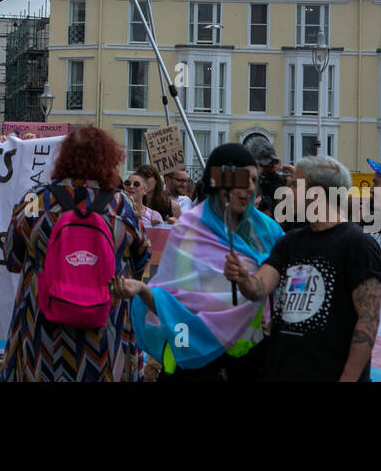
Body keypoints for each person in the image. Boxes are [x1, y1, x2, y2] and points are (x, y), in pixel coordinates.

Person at [111, 143, 284, 381]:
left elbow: (286, 289)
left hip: (253, 361)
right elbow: (172, 302)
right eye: (242, 180)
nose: (249, 188)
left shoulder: (269, 231)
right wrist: (141, 290)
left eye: (254, 180)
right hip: (196, 361)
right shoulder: (188, 230)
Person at [0, 126, 150, 381]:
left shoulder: (36, 200)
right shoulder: (122, 205)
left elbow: (12, 259)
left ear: (64, 158)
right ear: (108, 159)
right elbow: (140, 263)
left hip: (42, 333)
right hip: (105, 334)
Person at [230, 155, 381, 381]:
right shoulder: (289, 242)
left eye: (293, 184)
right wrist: (243, 277)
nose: (286, 190)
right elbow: (257, 289)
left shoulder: (358, 244)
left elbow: (368, 320)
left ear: (316, 194)